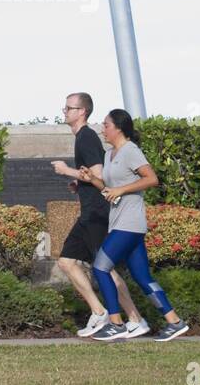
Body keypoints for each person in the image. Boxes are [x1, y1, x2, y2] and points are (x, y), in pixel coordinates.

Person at [79, 109, 189, 342]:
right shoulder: (109, 155)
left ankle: (117, 324)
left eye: (106, 125)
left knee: (100, 267)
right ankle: (174, 321)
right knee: (142, 276)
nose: (102, 129)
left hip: (131, 222)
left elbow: (151, 179)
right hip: (118, 221)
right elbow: (110, 191)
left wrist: (122, 189)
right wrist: (93, 180)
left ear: (118, 127)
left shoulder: (131, 151)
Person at [50, 92, 148, 338]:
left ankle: (135, 319)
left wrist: (66, 171)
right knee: (66, 262)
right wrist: (79, 184)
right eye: (65, 108)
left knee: (105, 269)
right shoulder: (82, 137)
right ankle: (99, 311)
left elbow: (99, 175)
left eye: (69, 108)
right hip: (89, 213)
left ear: (82, 111)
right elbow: (92, 177)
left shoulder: (87, 138)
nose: (65, 111)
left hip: (98, 214)